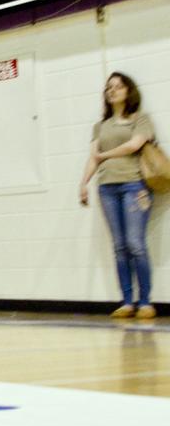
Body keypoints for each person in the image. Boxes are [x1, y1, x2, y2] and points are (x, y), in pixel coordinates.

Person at [79, 73, 156, 319]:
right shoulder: (100, 126)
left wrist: (104, 155)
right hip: (107, 188)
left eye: (118, 86)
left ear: (128, 91)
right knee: (119, 247)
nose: (112, 90)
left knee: (136, 243)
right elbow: (93, 156)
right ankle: (127, 301)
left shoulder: (140, 119)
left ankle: (145, 302)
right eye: (109, 87)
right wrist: (83, 182)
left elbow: (134, 145)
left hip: (135, 186)